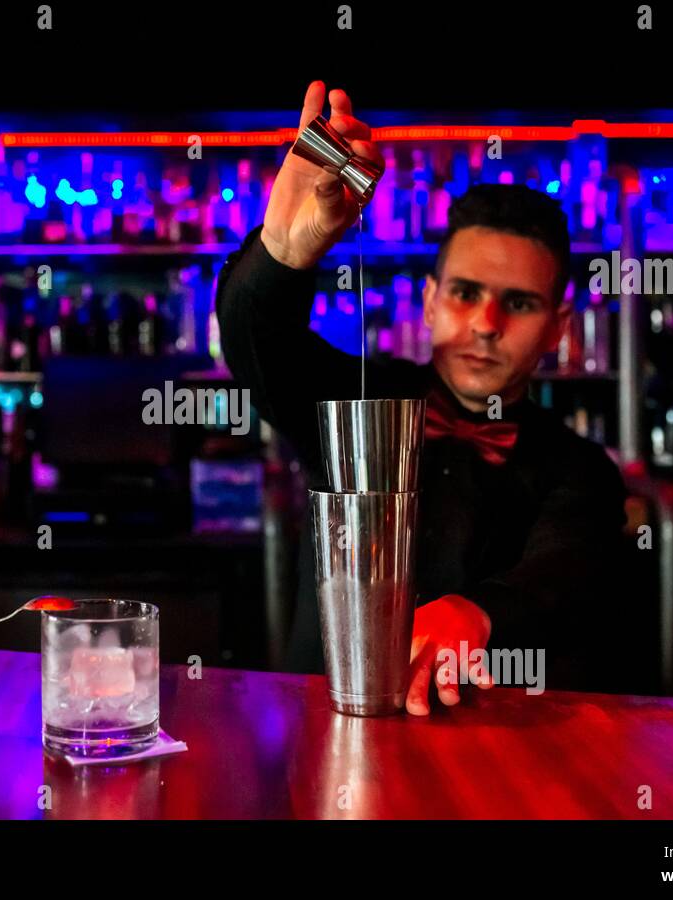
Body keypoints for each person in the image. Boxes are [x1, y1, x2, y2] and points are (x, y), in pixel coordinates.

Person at [215, 81, 629, 714]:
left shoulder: (578, 468)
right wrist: (284, 249)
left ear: (558, 327)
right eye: (466, 293)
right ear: (431, 301)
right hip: (326, 751)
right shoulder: (352, 401)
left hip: (499, 772)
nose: (487, 322)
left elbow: (568, 571)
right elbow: (256, 344)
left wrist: (480, 612)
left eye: (518, 303)